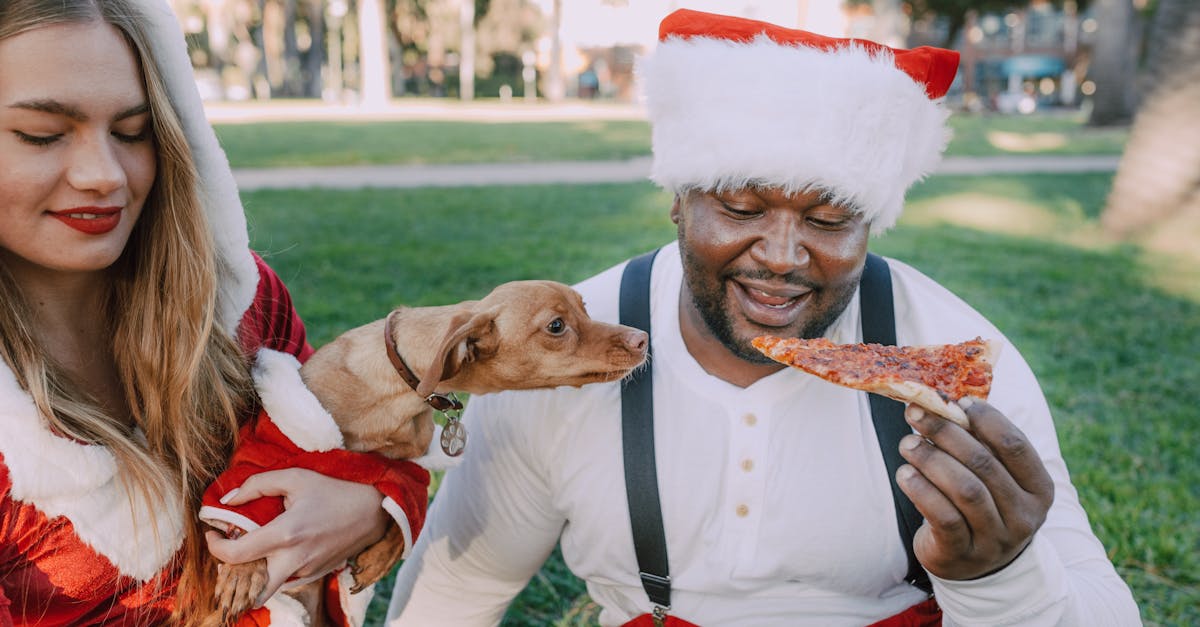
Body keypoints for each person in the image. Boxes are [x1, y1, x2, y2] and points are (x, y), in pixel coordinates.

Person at [386, 9, 1141, 627]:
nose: (781, 254)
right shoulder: (557, 353)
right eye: (740, 207)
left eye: (830, 216)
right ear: (678, 198)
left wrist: (1003, 575)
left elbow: (1106, 611)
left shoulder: (952, 351)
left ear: (872, 223)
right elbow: (452, 596)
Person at [0, 1, 430, 625]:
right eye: (42, 134)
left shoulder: (239, 303)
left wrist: (368, 506)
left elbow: (360, 448)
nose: (104, 176)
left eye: (132, 132)